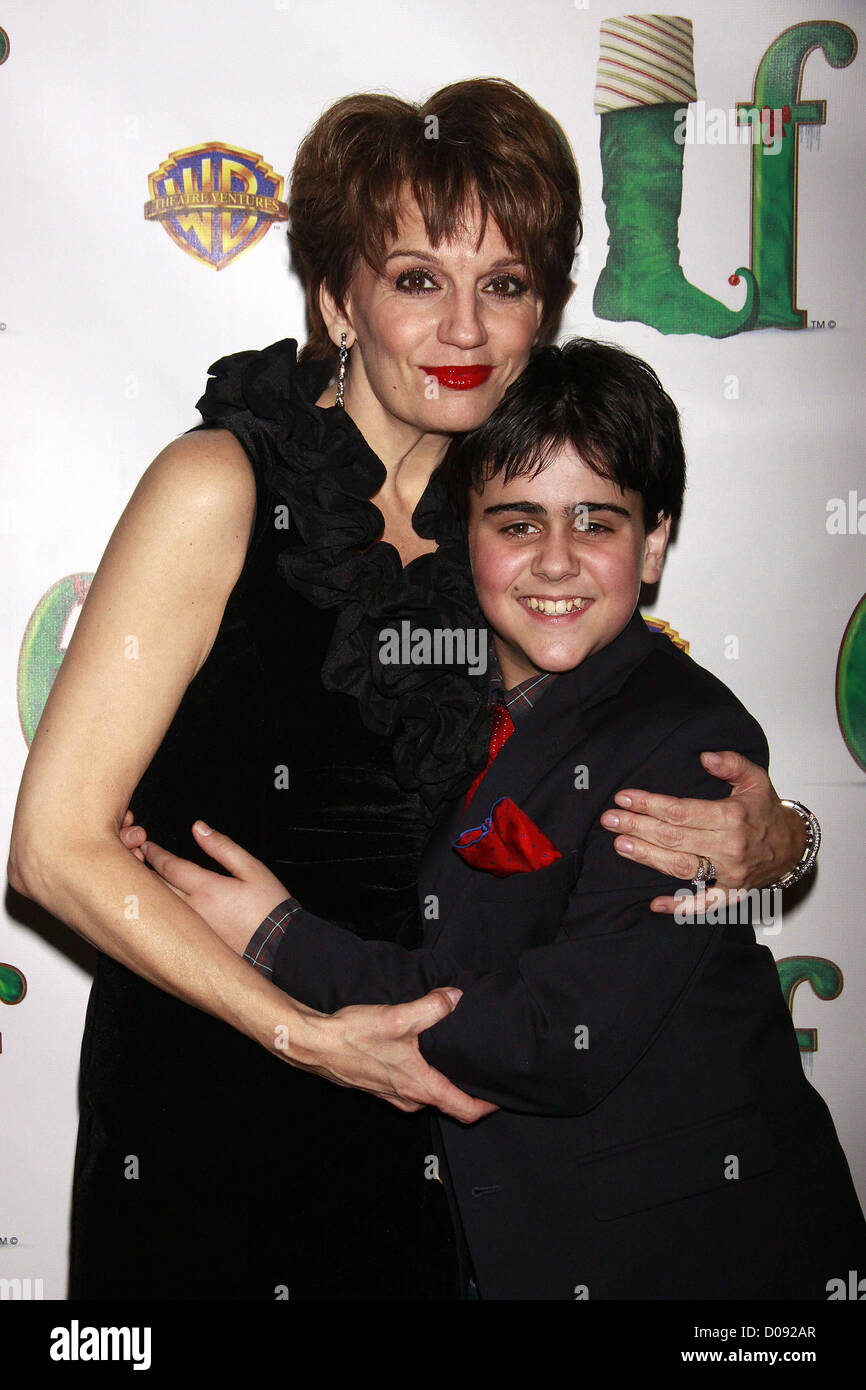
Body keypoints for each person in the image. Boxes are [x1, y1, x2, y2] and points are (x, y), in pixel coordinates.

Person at [8, 81, 812, 1301]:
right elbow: (56, 849)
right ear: (340, 298)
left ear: (541, 309)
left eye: (503, 284)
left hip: (434, 1110)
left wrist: (783, 841)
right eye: (415, 277)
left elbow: (646, 739)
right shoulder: (221, 481)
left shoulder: (508, 531)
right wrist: (301, 1034)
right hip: (220, 1082)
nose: (464, 328)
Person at [131, 339, 863, 1300]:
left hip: (703, 1260)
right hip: (509, 1239)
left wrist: (278, 939)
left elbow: (556, 1038)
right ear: (462, 535)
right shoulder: (440, 694)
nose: (554, 561)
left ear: (652, 543)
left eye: (595, 522)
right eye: (516, 523)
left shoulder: (685, 738)